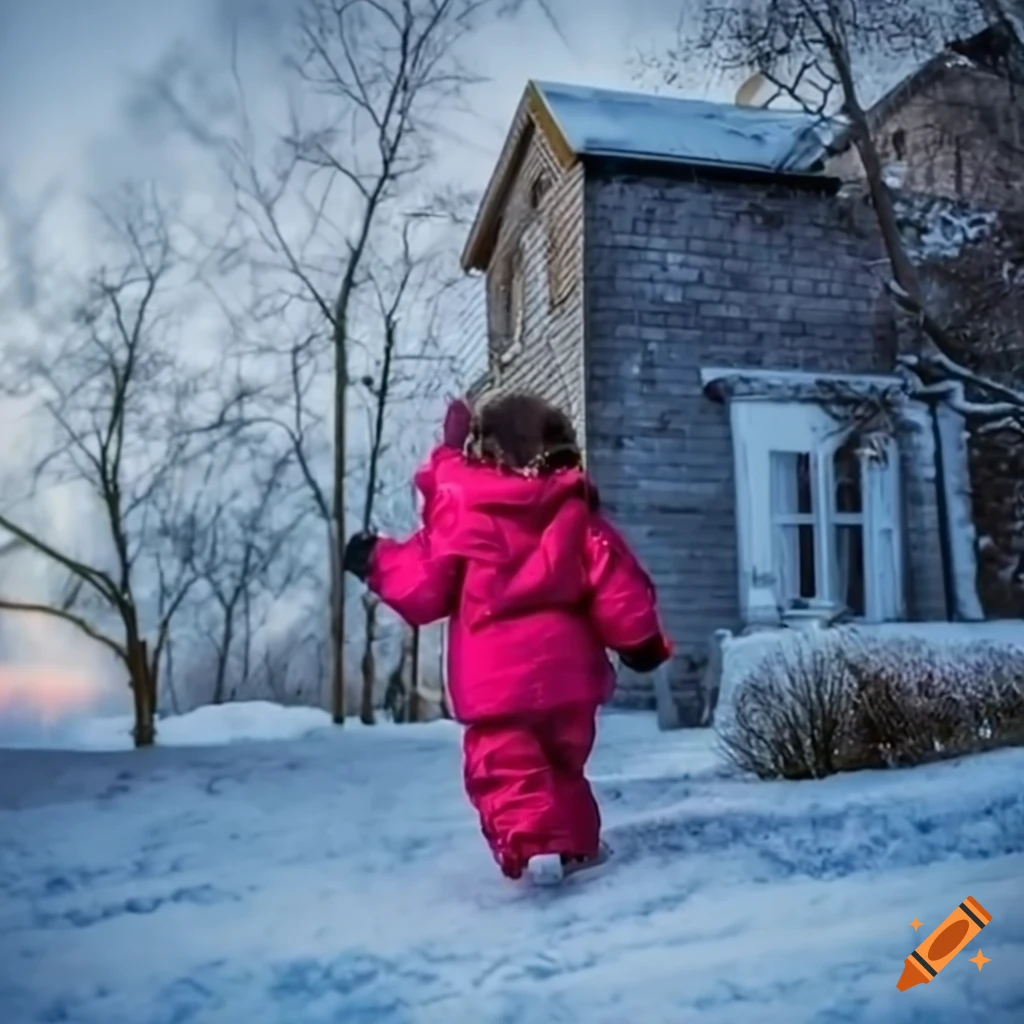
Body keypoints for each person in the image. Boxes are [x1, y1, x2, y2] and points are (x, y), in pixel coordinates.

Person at [343, 392, 671, 885]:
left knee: (505, 767)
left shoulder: (465, 517)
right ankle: (577, 847)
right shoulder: (575, 511)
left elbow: (424, 586)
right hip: (568, 682)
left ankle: (538, 847)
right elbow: (614, 579)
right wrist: (640, 641)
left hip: (497, 684)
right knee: (563, 767)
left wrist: (374, 559)